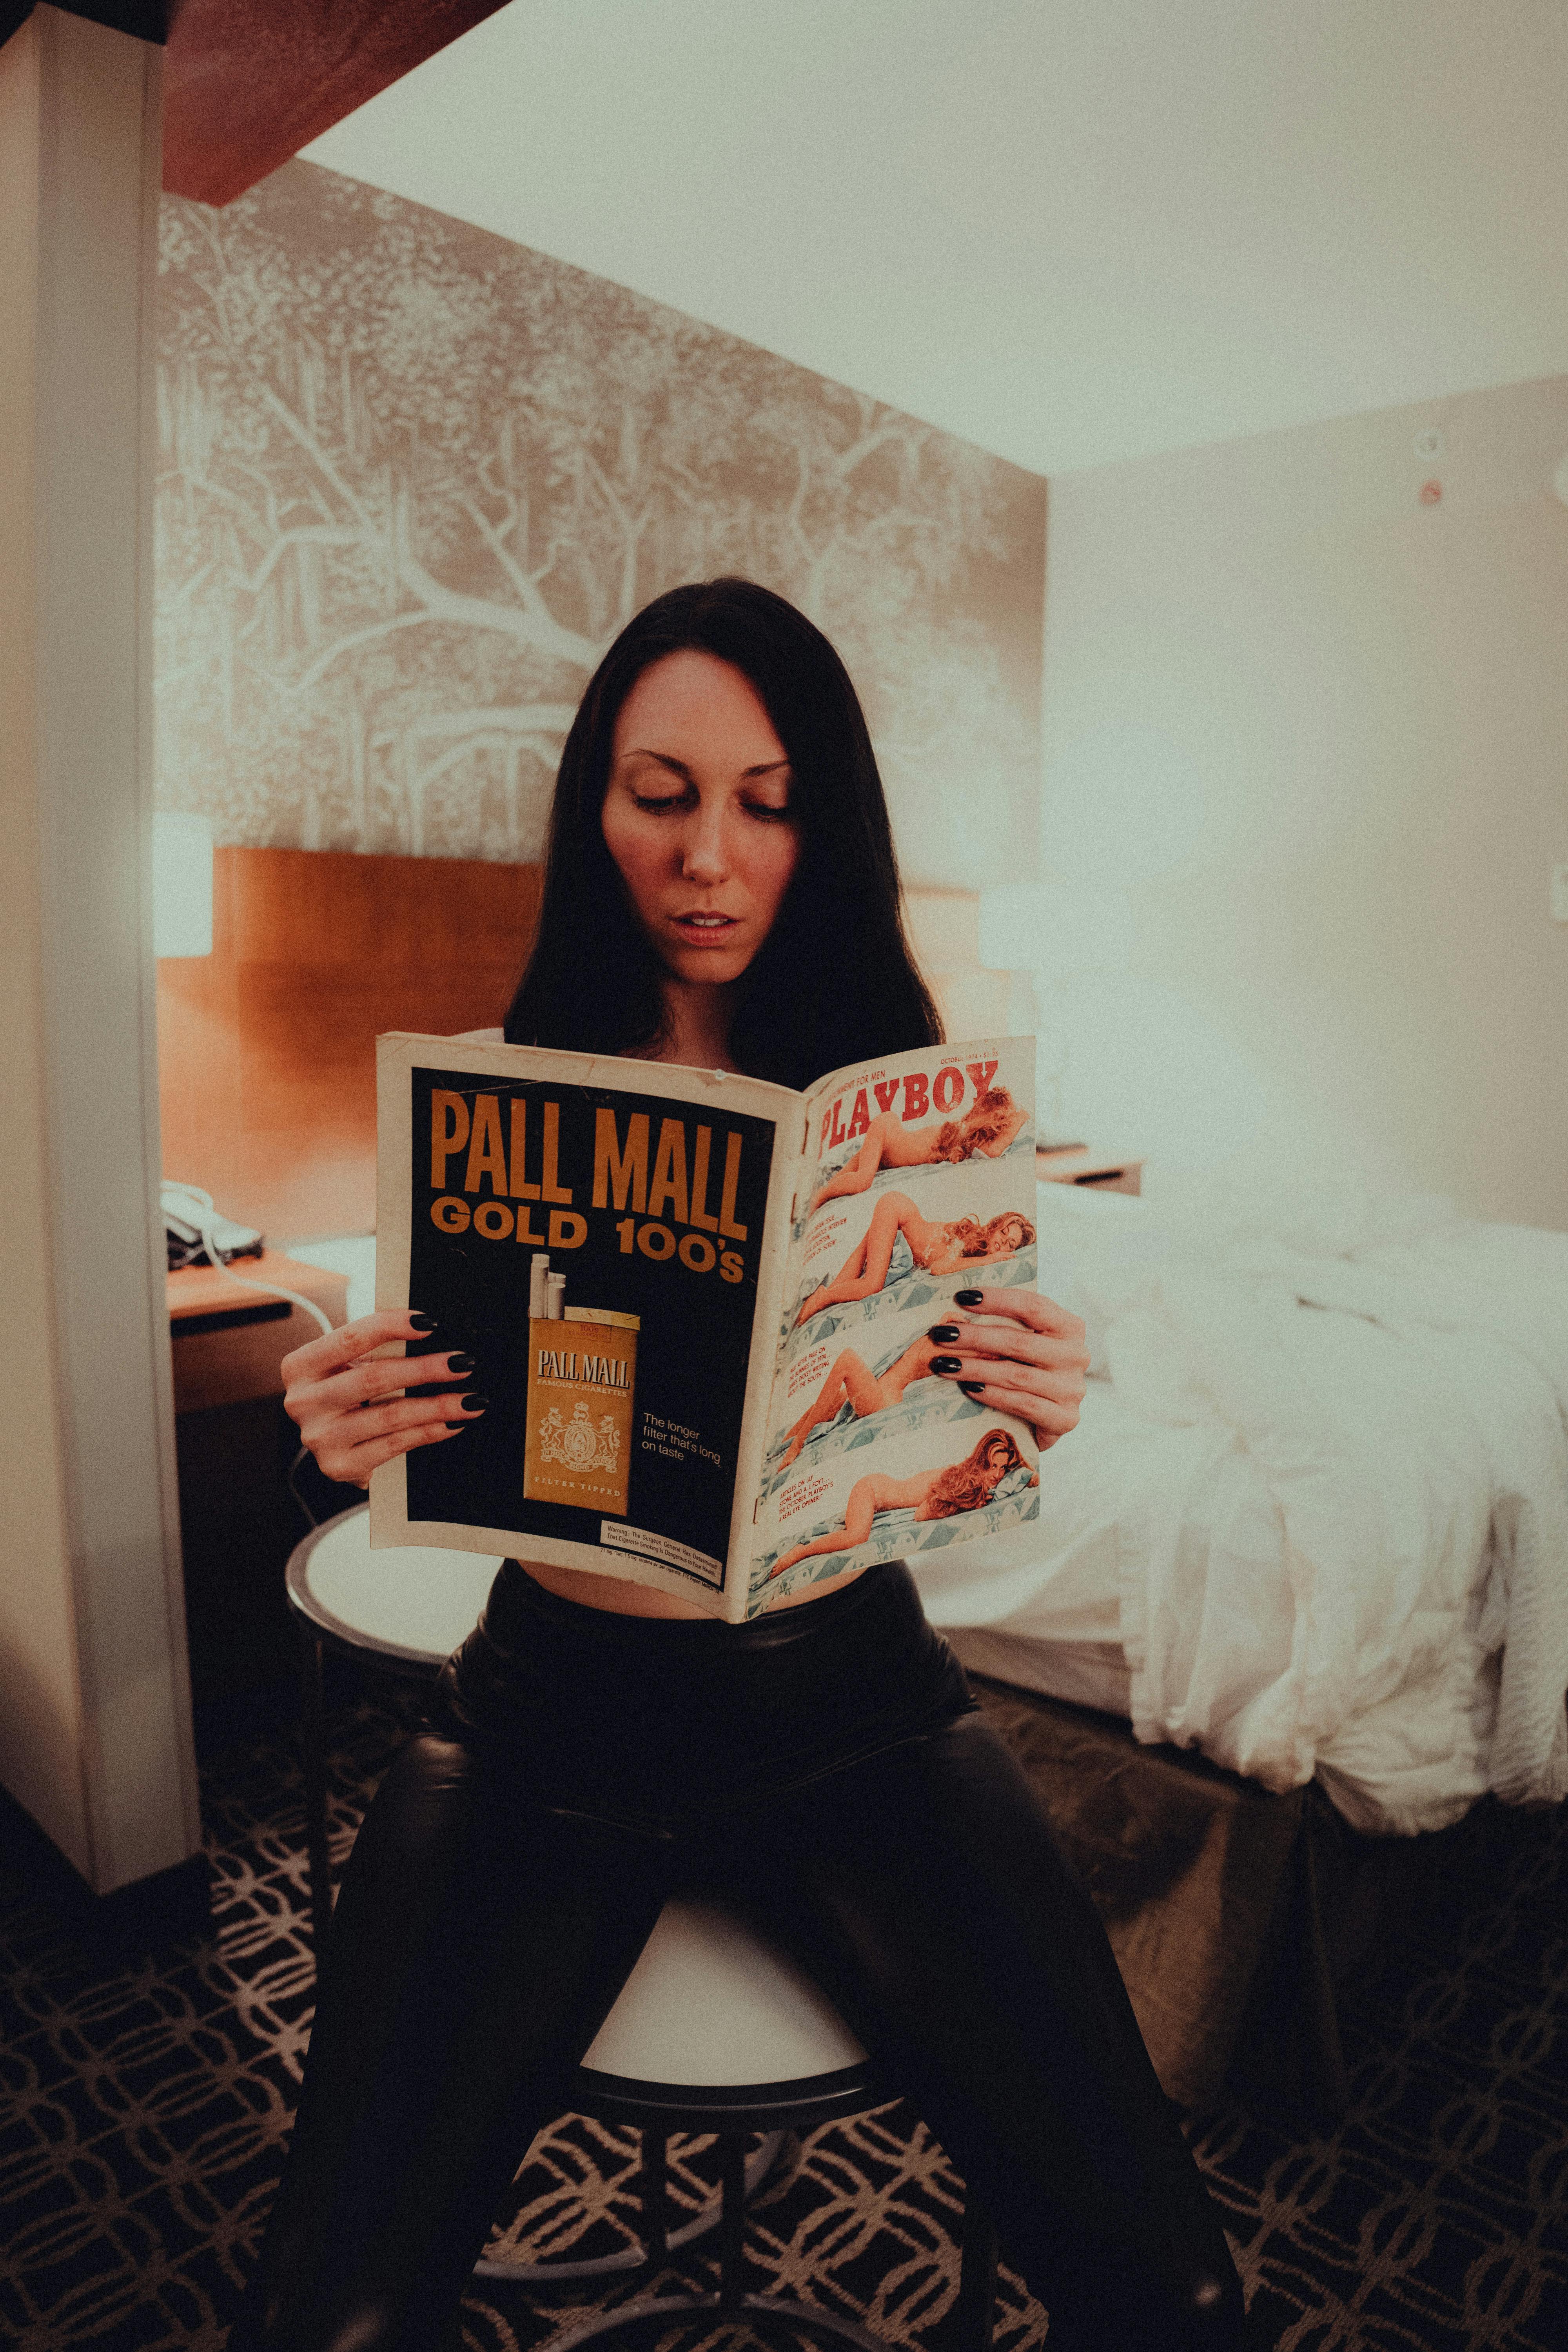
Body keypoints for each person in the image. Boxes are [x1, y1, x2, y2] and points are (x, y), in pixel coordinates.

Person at [230, 579, 1261, 2352]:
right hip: (547, 1714)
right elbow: (433, 1404)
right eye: (660, 792)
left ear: (823, 826)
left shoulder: (901, 1113)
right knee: (329, 2312)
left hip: (852, 1704)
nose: (708, 854)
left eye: (767, 802)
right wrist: (344, 1418)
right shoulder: (488, 1089)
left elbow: (955, 1396)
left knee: (1173, 2294)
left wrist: (1034, 1379)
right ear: (593, 806)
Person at [766, 1426, 1037, 1581]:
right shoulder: (965, 1482)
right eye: (992, 1466)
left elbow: (1023, 1470)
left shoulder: (974, 1480)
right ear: (981, 1462)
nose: (998, 1476)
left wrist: (1028, 1475)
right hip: (872, 1490)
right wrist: (968, 1503)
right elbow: (921, 1515)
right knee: (856, 1537)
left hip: (879, 1490)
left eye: (1004, 1469)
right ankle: (802, 1552)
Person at [795, 1199, 1035, 1325]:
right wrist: (990, 1260)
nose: (1003, 1244)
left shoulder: (977, 1251)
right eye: (1004, 1234)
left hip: (897, 1215)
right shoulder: (973, 1235)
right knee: (871, 1285)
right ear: (996, 1227)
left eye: (1011, 1245)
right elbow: (939, 1268)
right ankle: (823, 1297)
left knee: (846, 1281)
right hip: (898, 1212)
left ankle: (823, 1297)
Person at [808, 1083, 1028, 1211]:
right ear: (993, 1113)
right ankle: (818, 1197)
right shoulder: (963, 1130)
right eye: (1000, 1121)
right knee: (861, 1181)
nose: (1000, 1129)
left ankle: (818, 1193)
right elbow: (995, 1148)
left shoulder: (968, 1142)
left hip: (888, 1143)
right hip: (887, 1132)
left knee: (842, 1178)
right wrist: (1021, 1117)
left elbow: (992, 1150)